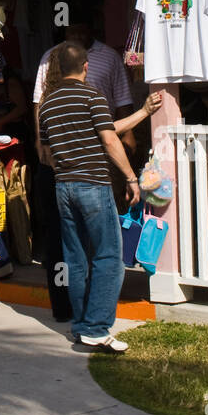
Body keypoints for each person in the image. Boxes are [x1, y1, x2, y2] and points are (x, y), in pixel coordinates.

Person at [38, 41, 140, 352]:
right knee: (109, 257)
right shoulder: (92, 96)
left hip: (64, 187)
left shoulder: (48, 103)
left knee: (76, 260)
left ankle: (82, 325)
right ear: (86, 67)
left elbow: (45, 154)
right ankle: (97, 327)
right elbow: (109, 140)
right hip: (93, 185)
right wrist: (130, 177)